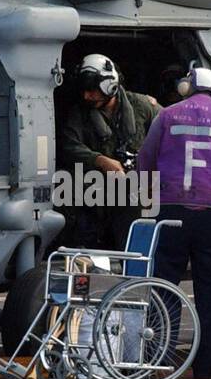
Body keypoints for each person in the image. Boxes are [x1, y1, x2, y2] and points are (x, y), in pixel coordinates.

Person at [138, 66, 211, 379]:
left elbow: (145, 161)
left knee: (163, 286)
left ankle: (157, 357)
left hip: (172, 210)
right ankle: (207, 366)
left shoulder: (167, 115)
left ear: (188, 86)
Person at [57, 53, 160, 249]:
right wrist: (100, 161)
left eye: (92, 91)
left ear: (109, 85)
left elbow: (170, 132)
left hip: (136, 189)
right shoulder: (79, 114)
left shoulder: (142, 106)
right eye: (84, 91)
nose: (86, 96)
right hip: (97, 189)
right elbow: (69, 145)